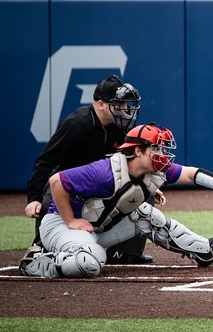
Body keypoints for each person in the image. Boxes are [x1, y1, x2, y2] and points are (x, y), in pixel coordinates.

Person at [21, 123, 213, 278]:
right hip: (60, 226)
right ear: (138, 151)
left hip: (97, 227)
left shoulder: (153, 169)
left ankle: (204, 251)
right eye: (155, 148)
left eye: (162, 148)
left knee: (145, 214)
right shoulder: (105, 171)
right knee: (90, 262)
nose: (162, 153)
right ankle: (39, 261)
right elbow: (57, 182)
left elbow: (191, 174)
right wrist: (70, 220)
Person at [20, 75, 149, 271]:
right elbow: (46, 161)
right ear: (101, 104)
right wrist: (34, 198)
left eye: (126, 104)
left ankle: (125, 252)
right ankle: (40, 247)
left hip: (104, 183)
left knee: (145, 191)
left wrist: (148, 183)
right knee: (51, 195)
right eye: (119, 104)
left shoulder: (121, 127)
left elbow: (132, 162)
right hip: (71, 185)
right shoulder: (77, 124)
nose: (125, 109)